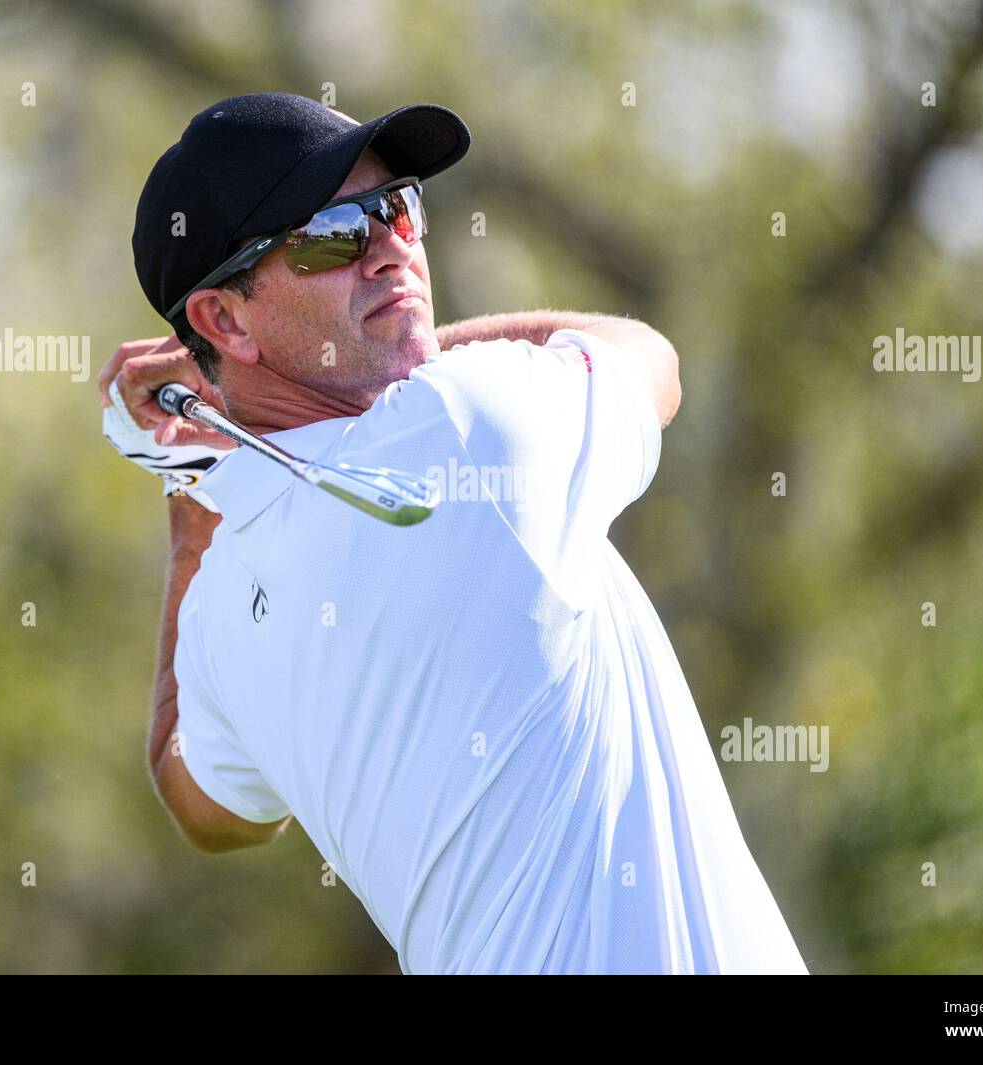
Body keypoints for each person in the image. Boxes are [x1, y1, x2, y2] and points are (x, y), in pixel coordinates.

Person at [101, 92, 808, 974]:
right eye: (333, 235)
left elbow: (203, 807)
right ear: (225, 320)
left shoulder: (219, 624)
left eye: (398, 206)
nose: (392, 245)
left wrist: (190, 505)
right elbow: (647, 360)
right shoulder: (471, 420)